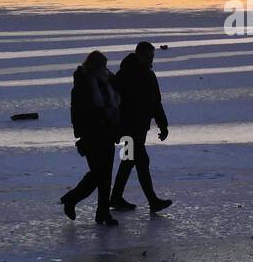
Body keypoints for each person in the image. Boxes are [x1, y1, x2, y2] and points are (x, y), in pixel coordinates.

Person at [110, 41, 173, 214]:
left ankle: (115, 197)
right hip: (128, 128)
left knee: (129, 161)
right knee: (142, 161)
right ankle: (153, 201)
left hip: (140, 128)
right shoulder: (124, 75)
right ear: (139, 55)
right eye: (148, 56)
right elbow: (114, 101)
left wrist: (163, 125)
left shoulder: (149, 76)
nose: (150, 59)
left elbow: (156, 103)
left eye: (152, 56)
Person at [61, 50, 121, 225]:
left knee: (105, 176)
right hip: (92, 135)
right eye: (103, 66)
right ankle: (72, 199)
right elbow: (80, 113)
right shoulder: (82, 86)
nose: (106, 69)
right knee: (98, 174)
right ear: (95, 66)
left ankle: (102, 213)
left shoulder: (105, 82)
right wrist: (102, 116)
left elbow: (116, 94)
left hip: (108, 133)